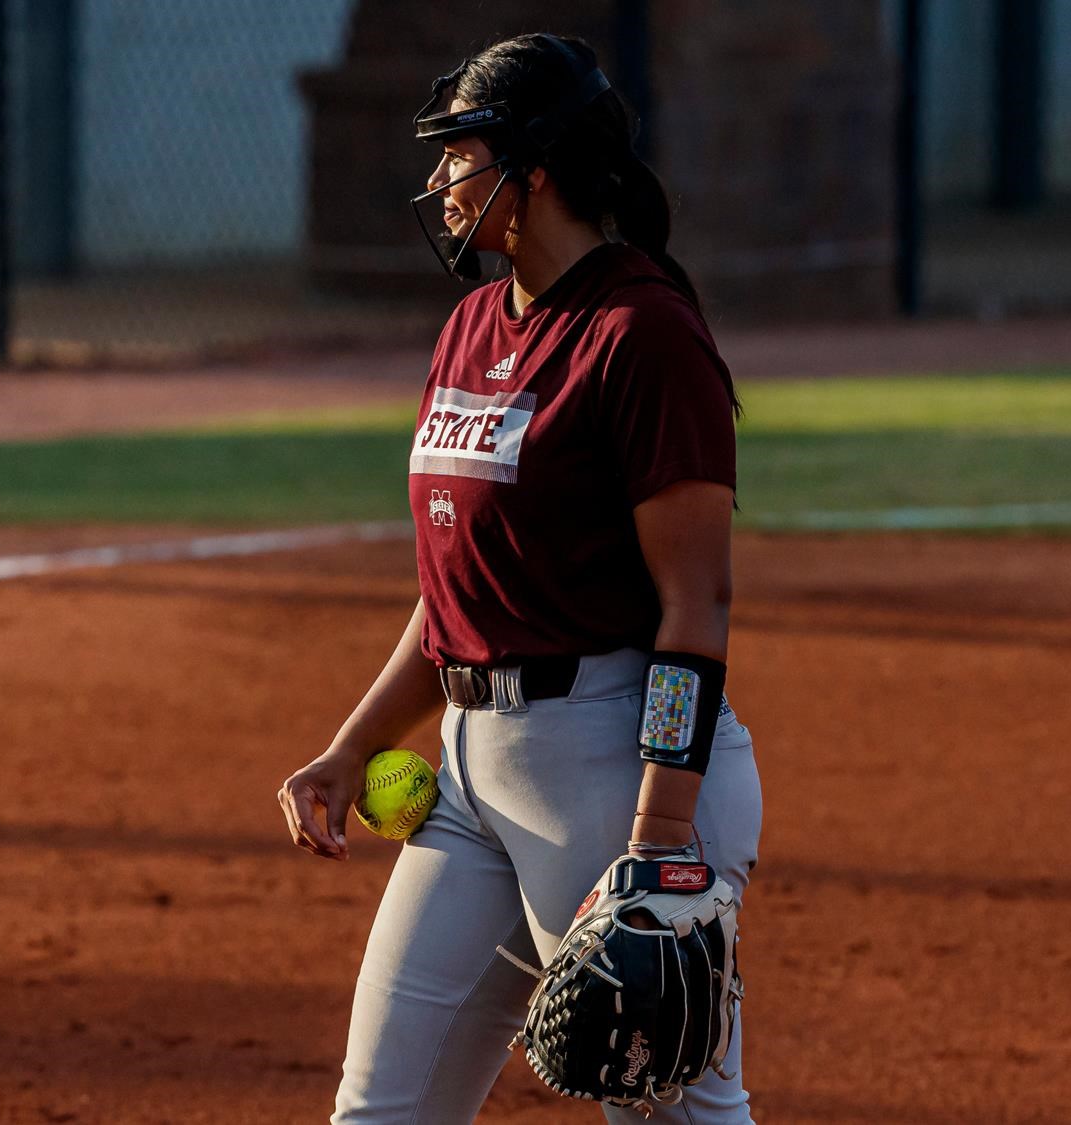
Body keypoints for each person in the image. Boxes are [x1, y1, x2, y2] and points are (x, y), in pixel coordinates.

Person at [274, 33, 763, 1124]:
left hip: (610, 770)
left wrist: (659, 835)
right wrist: (356, 744)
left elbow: (696, 604)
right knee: (380, 1110)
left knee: (670, 1112)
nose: (442, 181)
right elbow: (460, 590)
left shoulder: (642, 336)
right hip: (467, 780)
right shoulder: (470, 327)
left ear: (533, 171)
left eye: (461, 154)